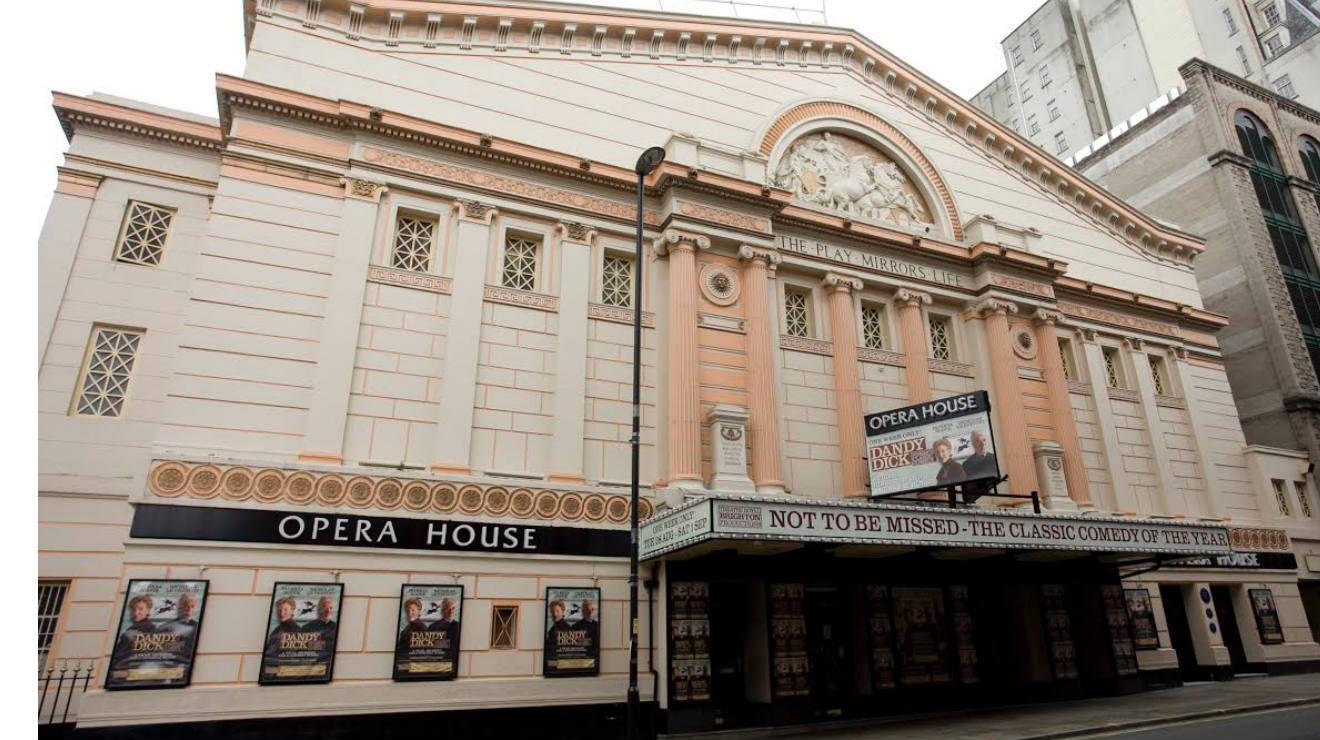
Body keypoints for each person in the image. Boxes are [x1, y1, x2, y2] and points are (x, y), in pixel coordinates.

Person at [111, 594, 157, 671]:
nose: (136, 613)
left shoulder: (142, 628)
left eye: (140, 609)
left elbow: (121, 654)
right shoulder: (149, 627)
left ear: (148, 610)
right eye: (134, 609)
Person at [263, 595, 301, 664]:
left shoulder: (296, 630)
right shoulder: (276, 630)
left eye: (285, 609)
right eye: (279, 610)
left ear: (292, 611)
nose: (282, 613)